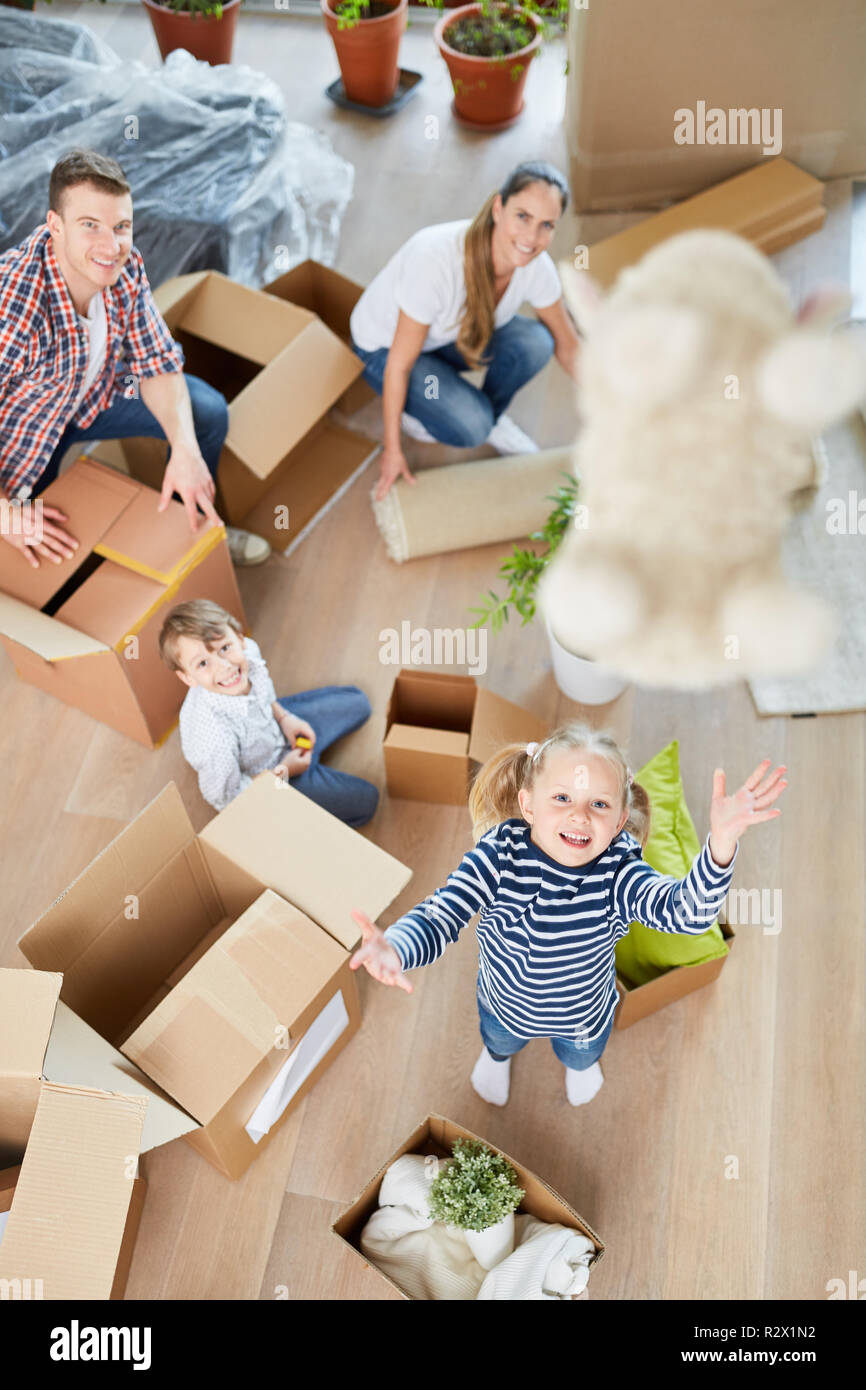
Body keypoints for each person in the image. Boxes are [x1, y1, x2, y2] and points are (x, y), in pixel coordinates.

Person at [350, 723, 787, 1106]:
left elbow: (687, 916)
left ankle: (577, 1065)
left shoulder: (620, 869)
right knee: (498, 1041)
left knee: (582, 1054)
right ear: (528, 806)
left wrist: (723, 842)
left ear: (619, 822)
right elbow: (442, 912)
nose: (579, 815)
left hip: (585, 1015)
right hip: (503, 1004)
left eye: (599, 804)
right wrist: (398, 947)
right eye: (562, 797)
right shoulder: (500, 854)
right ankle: (497, 1056)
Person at [0, 148, 270, 571]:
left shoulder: (122, 265)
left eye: (121, 226)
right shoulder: (13, 310)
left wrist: (184, 449)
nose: (112, 246)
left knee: (204, 414)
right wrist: (7, 517)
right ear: (54, 226)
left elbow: (157, 361)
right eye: (90, 226)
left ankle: (195, 529)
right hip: (19, 444)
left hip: (91, 396)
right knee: (42, 561)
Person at [349, 160, 582, 501]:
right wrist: (393, 450)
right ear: (498, 207)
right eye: (523, 216)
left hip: (443, 338)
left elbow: (569, 346)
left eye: (546, 225)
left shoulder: (535, 268)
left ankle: (489, 414)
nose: (531, 238)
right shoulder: (437, 262)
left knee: (536, 342)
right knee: (471, 427)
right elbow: (399, 364)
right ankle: (421, 413)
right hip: (384, 350)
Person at [159, 599, 379, 827]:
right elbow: (229, 798)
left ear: (239, 637)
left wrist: (285, 718)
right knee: (367, 802)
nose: (223, 666)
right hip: (267, 775)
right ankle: (294, 819)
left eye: (224, 648)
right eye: (203, 663)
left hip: (272, 724)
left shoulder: (248, 651)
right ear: (187, 678)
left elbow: (263, 689)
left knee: (359, 702)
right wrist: (285, 770)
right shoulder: (214, 740)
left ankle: (304, 765)